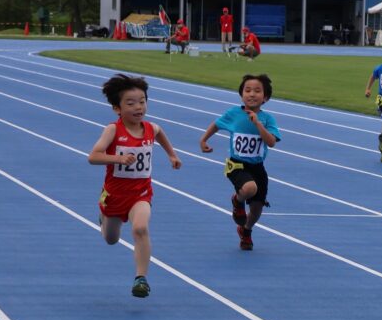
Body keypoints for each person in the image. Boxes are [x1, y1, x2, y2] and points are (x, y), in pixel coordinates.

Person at [87, 74, 181, 298]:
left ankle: (141, 278)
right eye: (130, 103)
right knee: (111, 239)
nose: (138, 107)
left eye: (142, 101)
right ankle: (103, 217)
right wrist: (118, 159)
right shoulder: (112, 130)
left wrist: (172, 155)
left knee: (140, 228)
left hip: (141, 193)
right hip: (114, 195)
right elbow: (93, 156)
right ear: (117, 109)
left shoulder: (150, 128)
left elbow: (160, 133)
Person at [199, 74, 281, 251]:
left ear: (265, 97)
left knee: (257, 208)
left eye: (257, 91)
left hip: (257, 167)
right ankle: (237, 200)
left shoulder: (268, 119)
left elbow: (271, 142)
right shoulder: (233, 114)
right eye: (247, 90)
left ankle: (246, 230)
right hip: (236, 165)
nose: (252, 94)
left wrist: (258, 124)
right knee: (250, 188)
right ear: (241, 94)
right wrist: (204, 139)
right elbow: (217, 124)